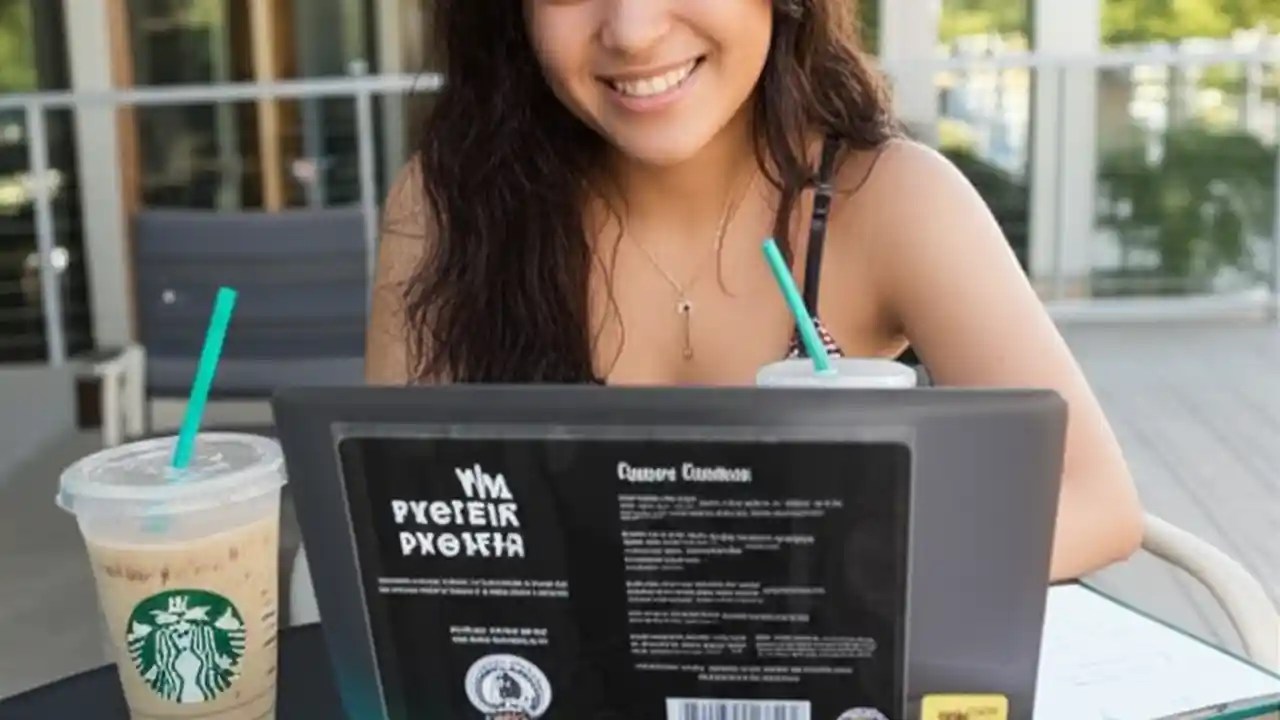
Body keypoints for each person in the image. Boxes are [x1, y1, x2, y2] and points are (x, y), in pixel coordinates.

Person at [366, 0, 1143, 580]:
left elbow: (1095, 502)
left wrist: (824, 572)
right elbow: (387, 513)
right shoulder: (447, 209)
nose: (632, 30)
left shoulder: (888, 198)